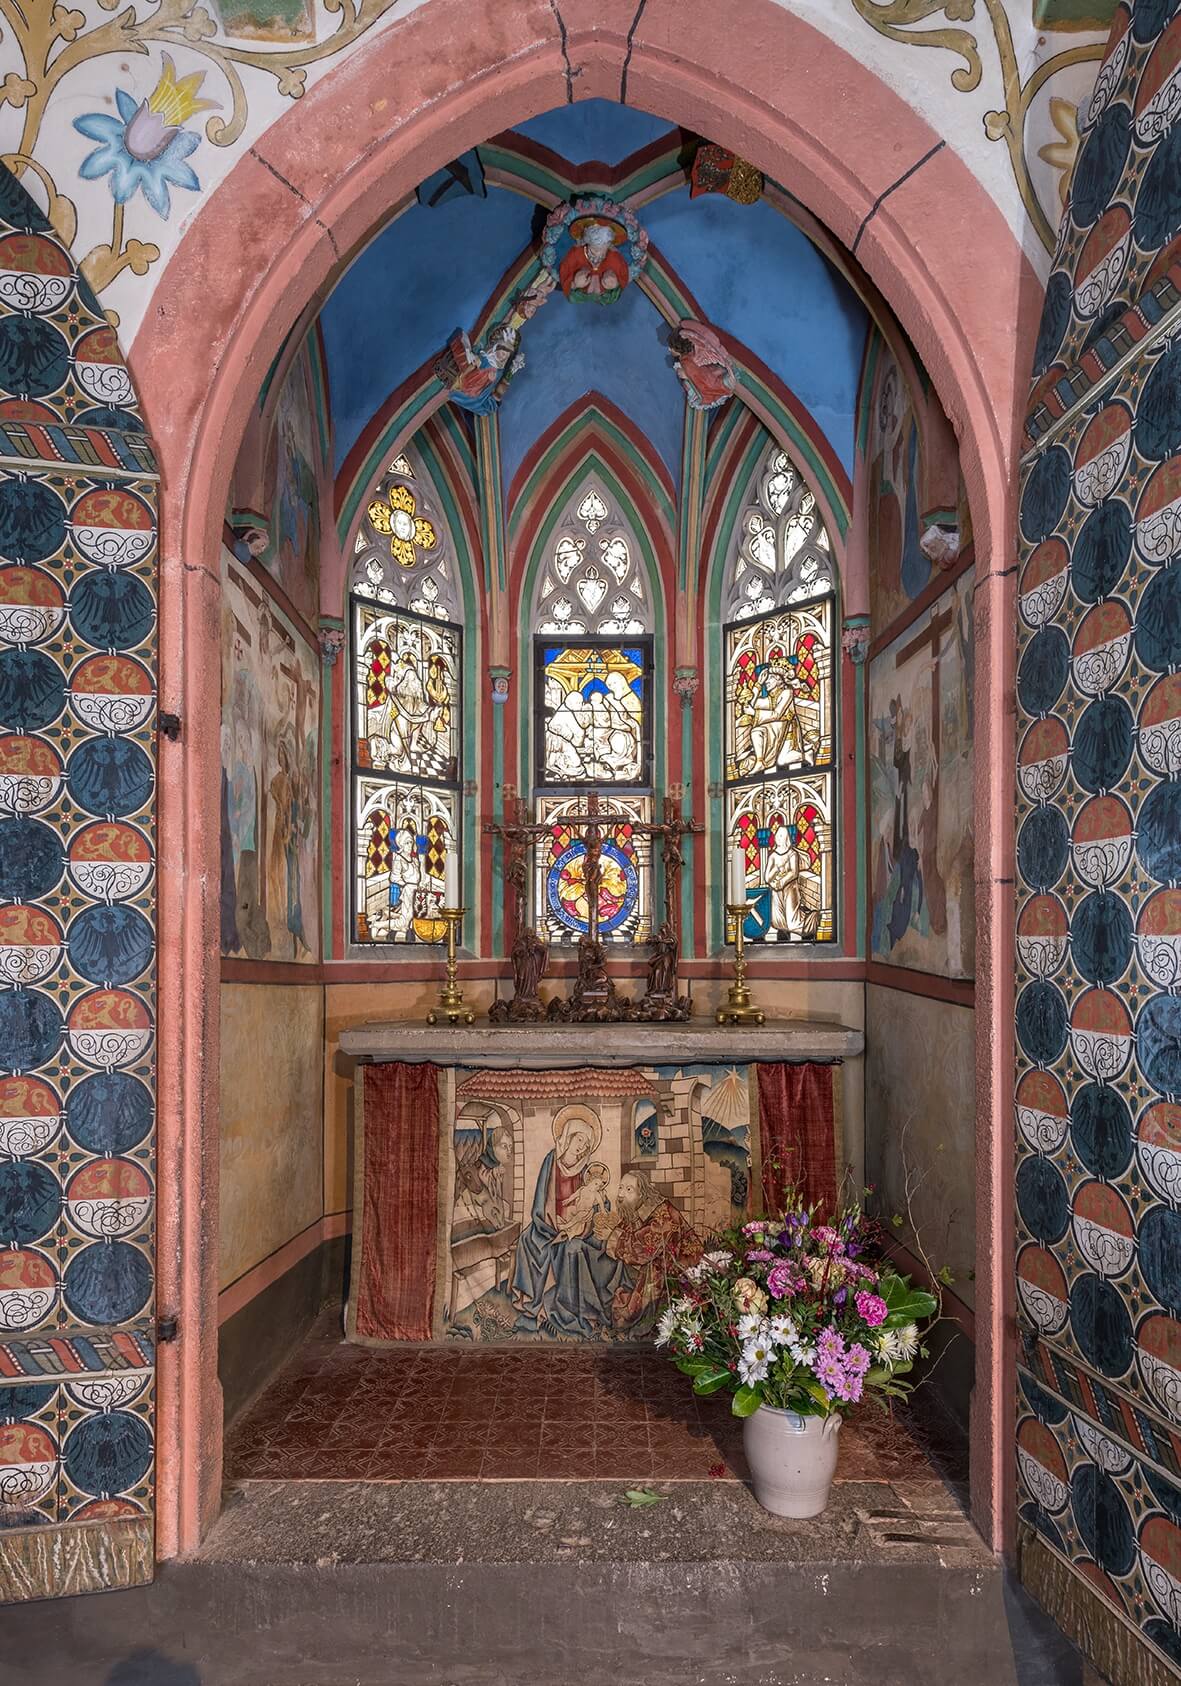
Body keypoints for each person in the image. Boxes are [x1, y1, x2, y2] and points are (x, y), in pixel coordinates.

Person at [510, 1109, 627, 1335]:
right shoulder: (551, 1160)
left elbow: (598, 1201)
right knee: (528, 1241)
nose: (582, 1147)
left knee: (572, 1249)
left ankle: (571, 1310)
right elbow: (540, 1199)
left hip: (578, 1227)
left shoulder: (587, 1168)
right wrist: (550, 1224)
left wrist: (590, 1216)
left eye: (586, 1144)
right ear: (567, 1136)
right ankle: (532, 1310)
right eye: (579, 1139)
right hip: (548, 1223)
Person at [605, 1170, 703, 1333]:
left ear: (641, 1194)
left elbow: (644, 1249)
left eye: (629, 1189)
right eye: (621, 1187)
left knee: (650, 1268)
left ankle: (642, 1319)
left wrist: (614, 1241)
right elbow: (626, 1230)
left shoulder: (662, 1212)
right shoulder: (637, 1208)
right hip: (661, 1259)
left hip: (681, 1266)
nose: (621, 1194)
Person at [558, 219, 630, 301]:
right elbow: (564, 271)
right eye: (594, 250)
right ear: (586, 242)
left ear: (609, 246)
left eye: (603, 250)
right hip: (582, 293)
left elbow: (623, 277)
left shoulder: (614, 257)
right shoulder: (576, 254)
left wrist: (615, 283)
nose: (598, 254)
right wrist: (575, 284)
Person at [764, 823, 808, 939]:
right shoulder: (773, 856)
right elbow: (767, 877)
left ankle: (811, 922)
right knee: (777, 921)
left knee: (792, 921)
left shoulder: (792, 854)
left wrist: (782, 882)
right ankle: (783, 941)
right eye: (777, 835)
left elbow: (794, 872)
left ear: (787, 838)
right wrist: (775, 873)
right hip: (776, 892)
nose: (778, 837)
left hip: (790, 890)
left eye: (781, 835)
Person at [554, 1162, 612, 1240]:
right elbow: (574, 1195)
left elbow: (601, 1203)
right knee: (570, 1209)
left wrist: (603, 1211)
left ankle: (566, 1226)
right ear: (590, 1181)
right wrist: (568, 1200)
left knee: (579, 1215)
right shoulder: (582, 1189)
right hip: (578, 1208)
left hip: (585, 1212)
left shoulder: (596, 1194)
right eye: (596, 1184)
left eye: (599, 1186)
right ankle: (570, 1227)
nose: (597, 1187)